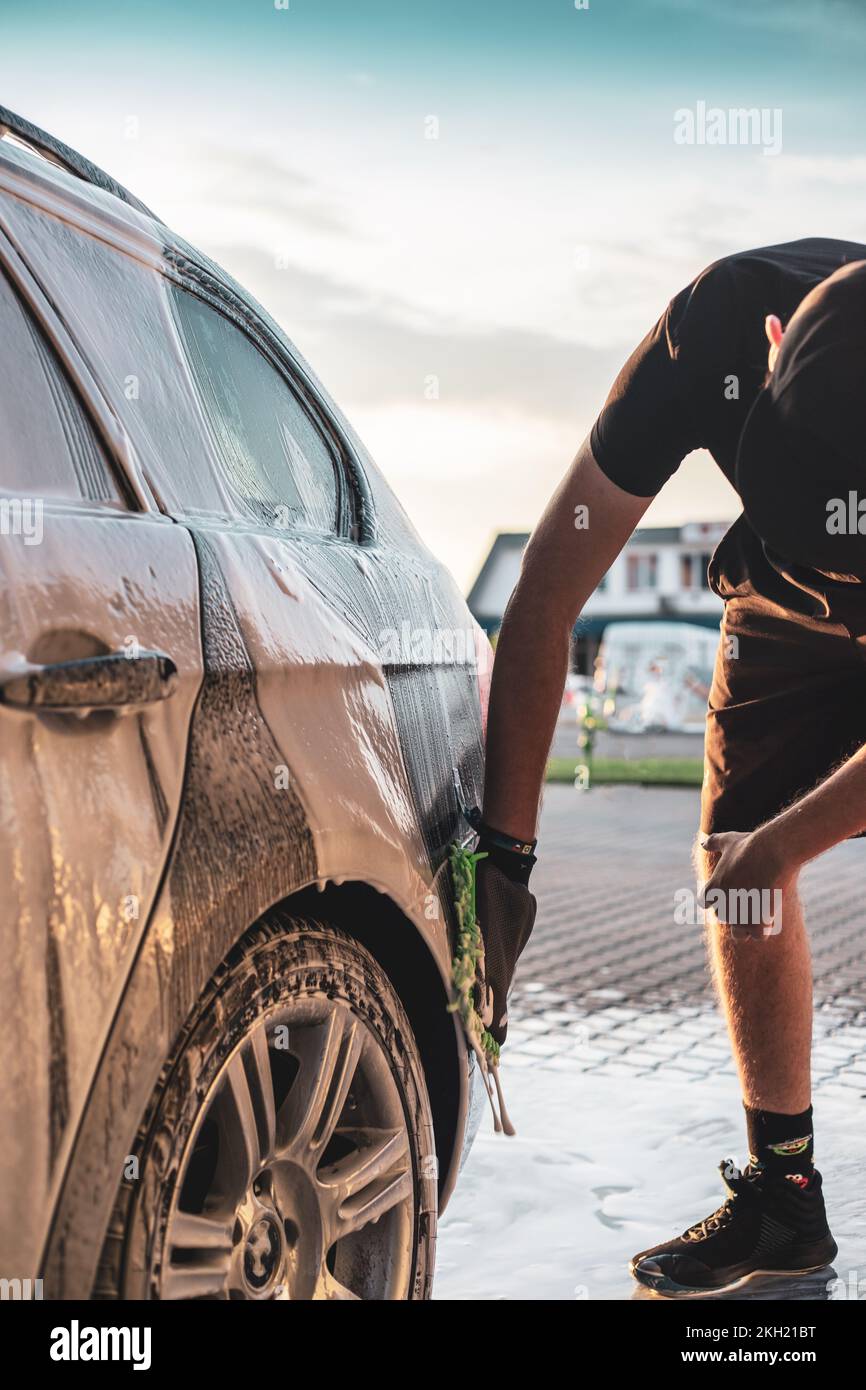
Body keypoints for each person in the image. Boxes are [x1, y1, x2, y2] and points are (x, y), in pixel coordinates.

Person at [473, 239, 866, 1296]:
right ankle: (782, 1201)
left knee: (759, 856)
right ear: (772, 351)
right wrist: (502, 868)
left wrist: (781, 846)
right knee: (730, 871)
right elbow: (547, 594)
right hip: (774, 616)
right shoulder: (714, 330)